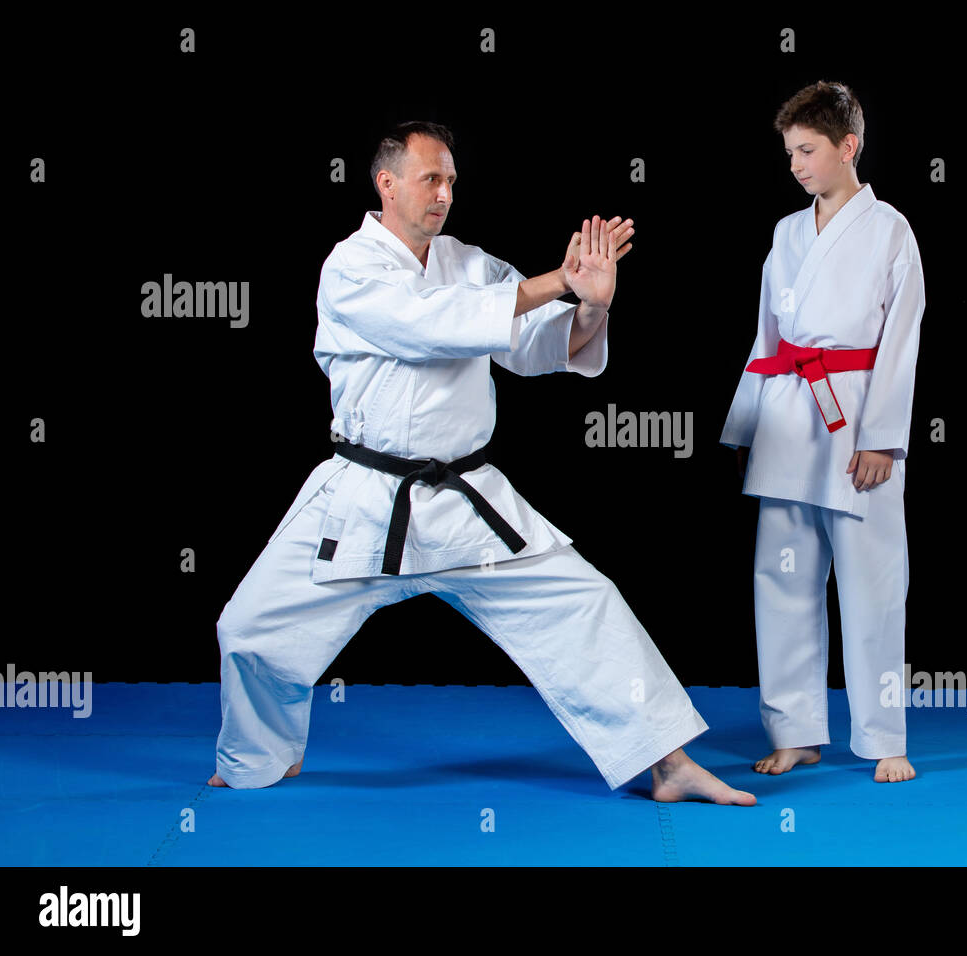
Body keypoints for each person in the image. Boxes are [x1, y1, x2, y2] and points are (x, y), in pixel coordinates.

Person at [209, 120, 754, 806]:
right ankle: (259, 757)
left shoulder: (468, 262)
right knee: (250, 628)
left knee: (587, 604)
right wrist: (559, 278)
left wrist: (591, 304)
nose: (444, 194)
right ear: (386, 182)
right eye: (430, 179)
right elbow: (432, 323)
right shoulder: (350, 266)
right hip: (364, 501)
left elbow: (533, 345)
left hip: (464, 502)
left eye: (451, 182)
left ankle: (668, 764)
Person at [719, 82, 925, 783]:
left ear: (849, 146)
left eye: (808, 150)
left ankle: (883, 737)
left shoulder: (891, 229)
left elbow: (900, 340)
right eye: (789, 153)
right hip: (786, 411)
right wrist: (748, 419)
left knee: (872, 582)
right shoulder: (785, 232)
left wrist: (882, 437)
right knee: (781, 579)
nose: (797, 164)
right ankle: (797, 730)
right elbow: (767, 334)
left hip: (855, 413)